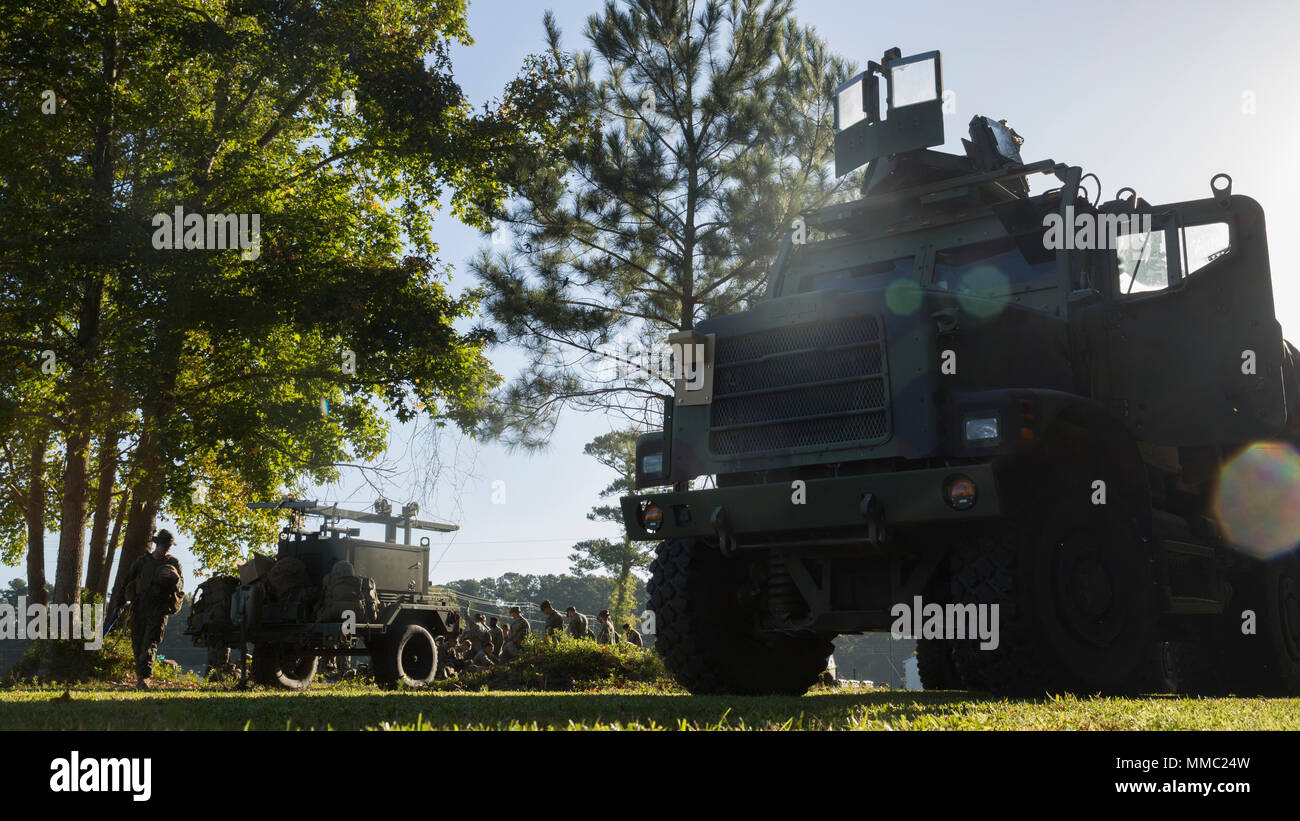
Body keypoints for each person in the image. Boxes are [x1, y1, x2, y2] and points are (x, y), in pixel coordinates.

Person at [118, 529, 185, 690]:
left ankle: (144, 678)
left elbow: (180, 586)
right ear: (157, 544)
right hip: (140, 607)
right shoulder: (142, 562)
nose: (166, 548)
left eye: (168, 545)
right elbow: (126, 582)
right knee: (138, 642)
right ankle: (141, 675)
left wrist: (175, 578)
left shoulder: (174, 563)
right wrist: (119, 604)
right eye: (163, 545)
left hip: (159, 608)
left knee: (150, 643)